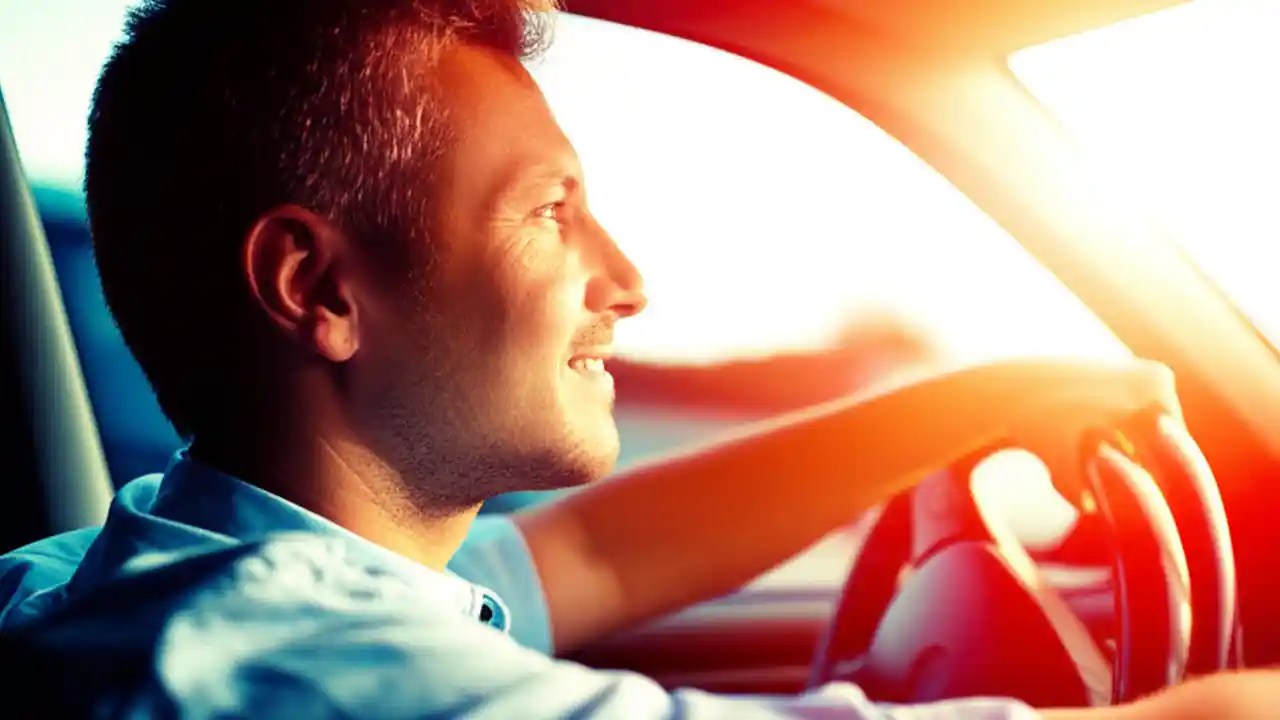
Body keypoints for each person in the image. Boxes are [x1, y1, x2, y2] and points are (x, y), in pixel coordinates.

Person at [0, 0, 1272, 717]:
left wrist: (984, 404)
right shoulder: (312, 678)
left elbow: (594, 553)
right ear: (320, 288)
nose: (627, 281)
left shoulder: (133, 574)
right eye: (551, 211)